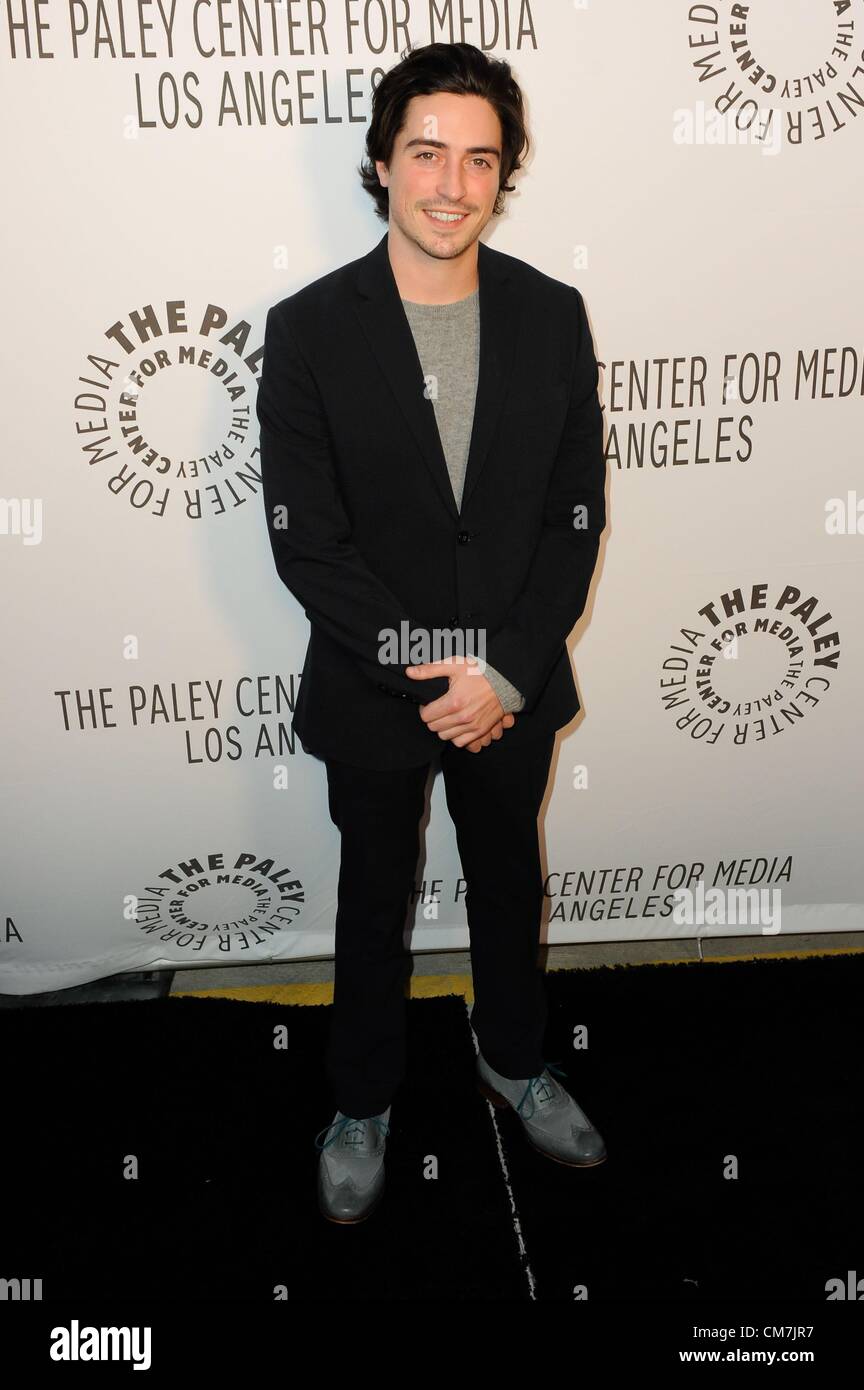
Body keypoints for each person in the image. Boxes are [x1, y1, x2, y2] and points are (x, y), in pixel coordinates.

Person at [256, 41, 608, 1225]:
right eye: (426, 154)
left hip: (510, 681)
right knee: (374, 893)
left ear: (503, 175)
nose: (452, 184)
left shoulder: (553, 317)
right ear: (380, 162)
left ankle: (515, 1058)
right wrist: (431, 664)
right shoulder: (307, 330)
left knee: (511, 880)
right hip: (376, 686)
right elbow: (309, 543)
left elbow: (575, 517)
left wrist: (504, 667)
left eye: (479, 159)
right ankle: (362, 1097)